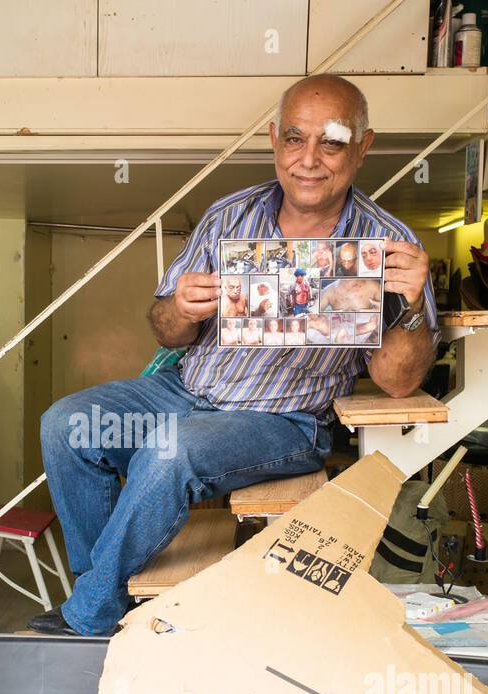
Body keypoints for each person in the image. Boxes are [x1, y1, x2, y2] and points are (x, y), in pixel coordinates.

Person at [34, 74, 436, 637]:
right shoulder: (229, 217)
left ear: (364, 146)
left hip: (283, 420)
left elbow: (398, 384)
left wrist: (413, 304)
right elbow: (166, 332)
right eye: (295, 139)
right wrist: (182, 306)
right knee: (68, 425)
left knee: (170, 452)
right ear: (274, 139)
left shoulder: (387, 243)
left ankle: (91, 614)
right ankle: (101, 590)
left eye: (334, 142)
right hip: (183, 390)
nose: (310, 160)